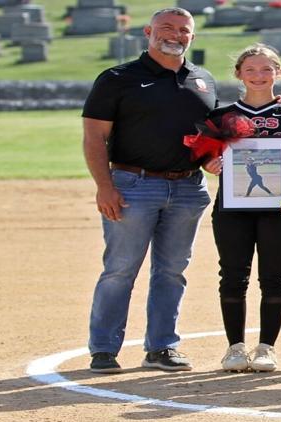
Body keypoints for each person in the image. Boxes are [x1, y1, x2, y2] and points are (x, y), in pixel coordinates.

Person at [80, 7, 217, 373]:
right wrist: (103, 187)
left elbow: (208, 141)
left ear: (193, 36)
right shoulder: (117, 78)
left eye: (183, 29)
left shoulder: (203, 80)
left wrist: (212, 162)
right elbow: (94, 136)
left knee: (172, 271)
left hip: (188, 189)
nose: (174, 34)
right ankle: (104, 349)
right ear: (148, 31)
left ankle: (162, 347)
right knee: (120, 270)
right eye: (166, 28)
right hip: (132, 186)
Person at [205, 43, 281, 373]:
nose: (259, 76)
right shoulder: (222, 116)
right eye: (250, 69)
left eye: (267, 69)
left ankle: (266, 348)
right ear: (238, 74)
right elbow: (207, 159)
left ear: (279, 73)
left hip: (279, 209)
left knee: (274, 276)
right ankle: (235, 347)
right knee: (233, 276)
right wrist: (212, 164)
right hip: (232, 209)